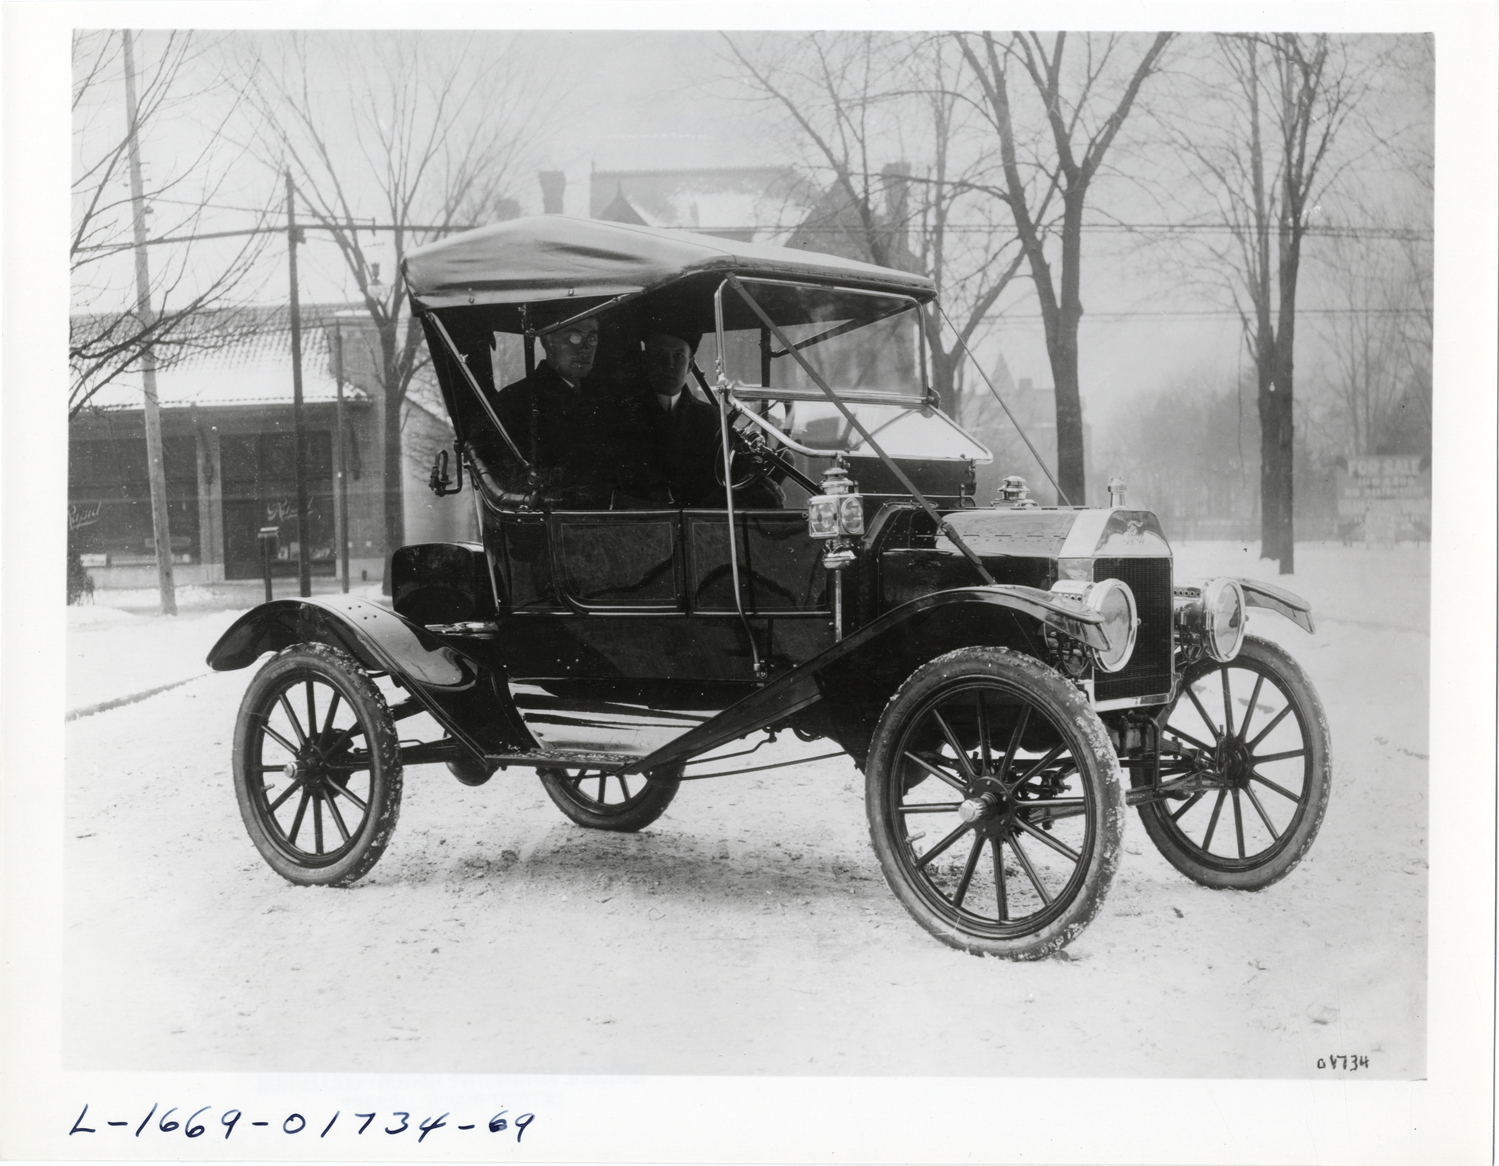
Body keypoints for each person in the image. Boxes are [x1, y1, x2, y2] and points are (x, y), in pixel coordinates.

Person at [478, 314, 664, 508]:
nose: (584, 349)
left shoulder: (606, 400)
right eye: (573, 337)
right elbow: (518, 485)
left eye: (592, 338)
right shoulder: (513, 403)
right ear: (547, 341)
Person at [639, 325, 782, 509]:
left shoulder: (712, 418)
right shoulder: (622, 417)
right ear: (645, 360)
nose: (670, 364)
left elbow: (736, 473)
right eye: (660, 354)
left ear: (690, 365)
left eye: (679, 356)